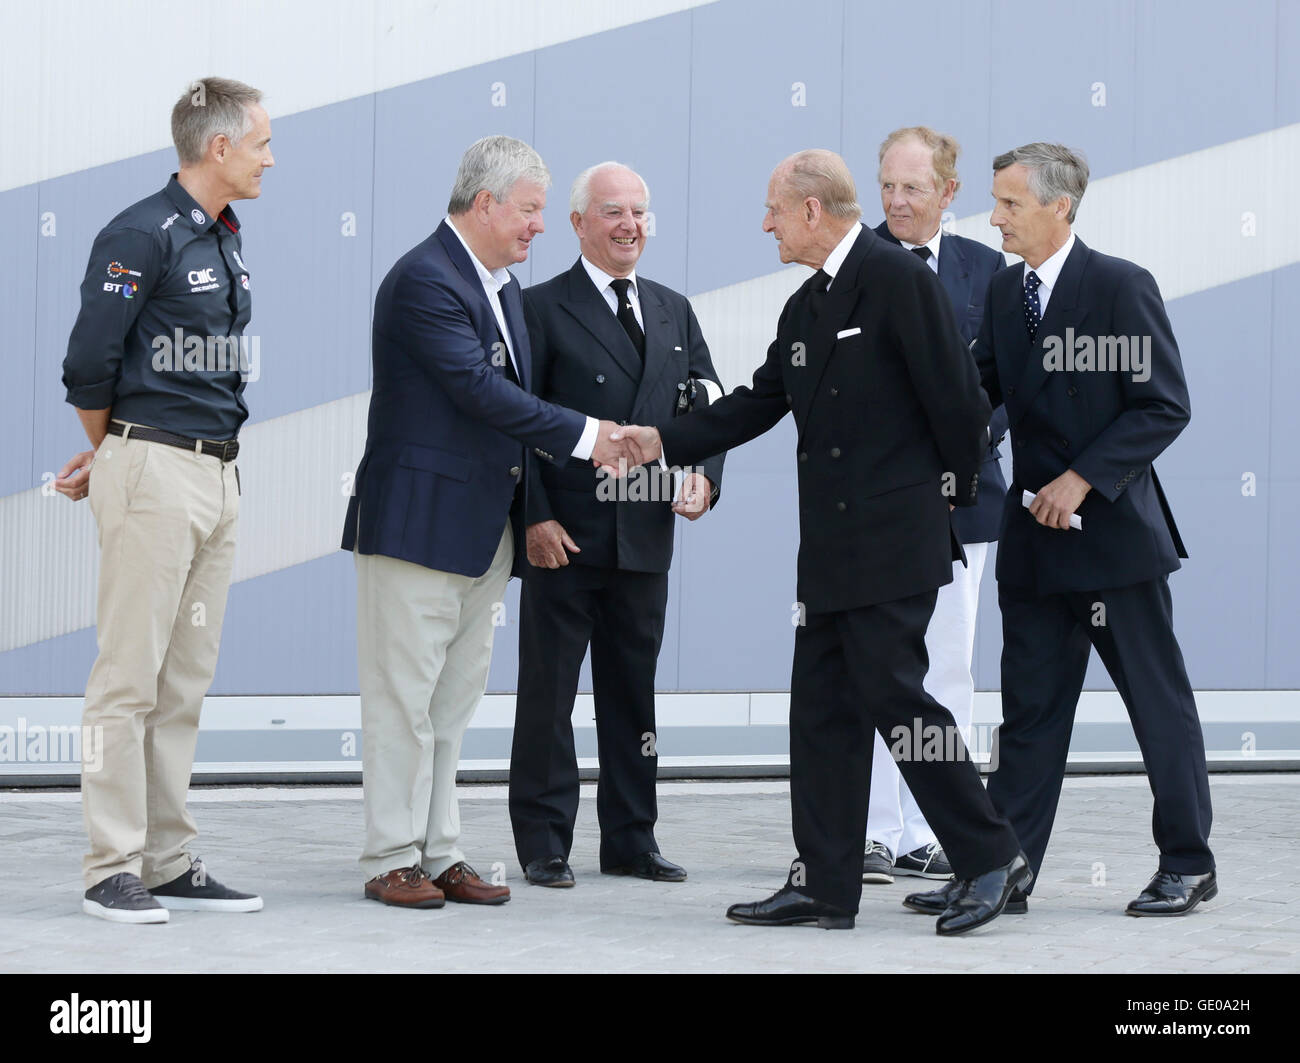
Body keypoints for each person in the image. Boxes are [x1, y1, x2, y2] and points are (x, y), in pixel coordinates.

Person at [615, 150, 1029, 935]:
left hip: (896, 543)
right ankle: (825, 882)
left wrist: (948, 508)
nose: (764, 223)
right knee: (822, 712)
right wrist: (655, 441)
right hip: (832, 553)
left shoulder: (901, 281)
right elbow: (755, 402)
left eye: (774, 209)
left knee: (897, 698)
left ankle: (988, 855)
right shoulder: (805, 306)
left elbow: (962, 409)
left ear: (811, 211)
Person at [906, 143, 1215, 919]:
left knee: (1157, 704)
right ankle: (1003, 866)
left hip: (1115, 542)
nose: (995, 217)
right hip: (1037, 549)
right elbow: (978, 393)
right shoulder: (1009, 294)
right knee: (1032, 717)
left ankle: (1188, 860)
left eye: (1010, 203)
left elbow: (1163, 404)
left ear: (1059, 208)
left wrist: (1082, 478)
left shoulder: (1119, 286)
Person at [341, 136, 640, 910]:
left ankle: (438, 851)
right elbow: (478, 389)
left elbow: (503, 407)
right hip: (417, 527)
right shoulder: (423, 280)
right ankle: (389, 855)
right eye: (531, 209)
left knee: (450, 706)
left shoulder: (502, 288)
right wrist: (588, 435)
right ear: (485, 204)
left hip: (480, 534)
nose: (539, 225)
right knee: (401, 700)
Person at [56, 76, 273, 923]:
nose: (268, 157)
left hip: (218, 474)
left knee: (183, 680)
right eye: (260, 142)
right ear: (217, 147)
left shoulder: (223, 236)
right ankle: (109, 863)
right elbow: (88, 366)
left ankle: (167, 857)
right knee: (128, 678)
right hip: (155, 470)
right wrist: (115, 452)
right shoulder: (139, 233)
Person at [509, 162, 725, 888]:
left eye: (640, 212)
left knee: (634, 696)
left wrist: (704, 480)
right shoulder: (536, 308)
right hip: (566, 537)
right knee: (550, 694)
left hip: (644, 538)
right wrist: (534, 514)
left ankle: (632, 838)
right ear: (577, 224)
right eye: (613, 212)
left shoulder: (673, 308)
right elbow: (517, 423)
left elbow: (707, 407)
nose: (630, 225)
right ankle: (543, 840)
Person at [861, 127, 1008, 885]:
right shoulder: (857, 264)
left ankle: (927, 828)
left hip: (962, 502)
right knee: (879, 667)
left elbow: (1005, 384)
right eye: (887, 185)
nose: (896, 201)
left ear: (950, 193)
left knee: (947, 668)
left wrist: (958, 443)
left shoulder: (989, 272)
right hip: (879, 504)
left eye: (912, 188)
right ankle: (875, 831)